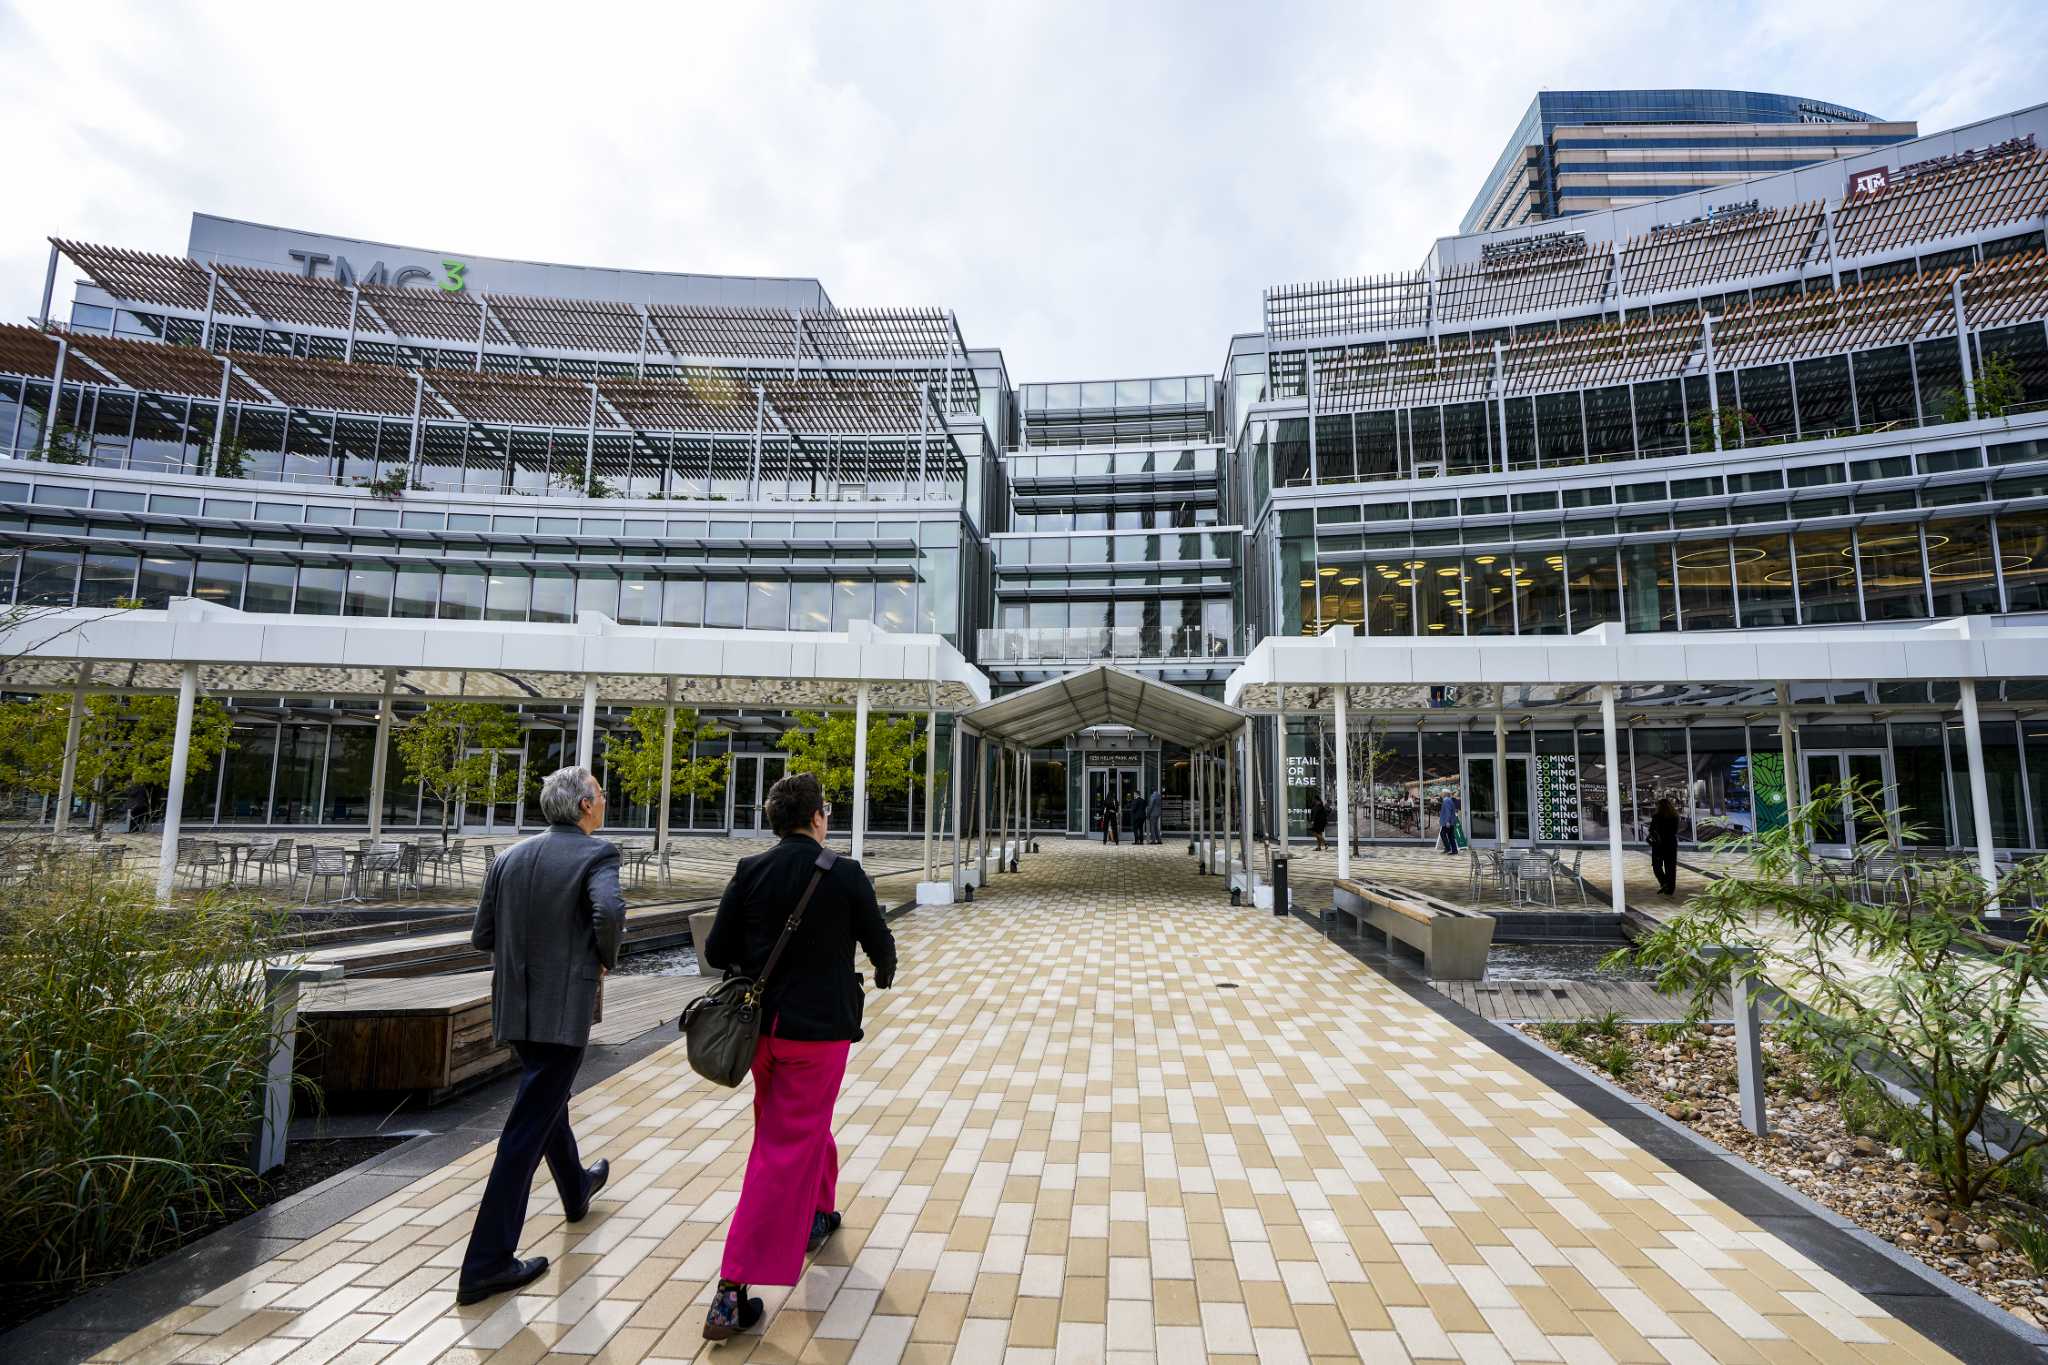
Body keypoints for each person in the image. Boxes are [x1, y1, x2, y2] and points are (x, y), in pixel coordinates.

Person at [702, 772, 895, 1340]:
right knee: (783, 1146)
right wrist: (882, 971)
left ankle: (819, 1212)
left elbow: (715, 950)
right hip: (818, 1035)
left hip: (761, 1033)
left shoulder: (750, 870)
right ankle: (731, 1290)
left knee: (794, 1127)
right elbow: (880, 942)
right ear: (816, 819)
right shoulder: (845, 874)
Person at [457, 766, 624, 1306]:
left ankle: (576, 1186)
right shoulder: (597, 855)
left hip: (515, 1007)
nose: (604, 802)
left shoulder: (508, 857)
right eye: (599, 795)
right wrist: (602, 959)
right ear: (582, 807)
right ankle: (486, 1263)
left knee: (546, 1098)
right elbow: (609, 911)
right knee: (526, 1128)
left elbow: (483, 934)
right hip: (562, 1009)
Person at [1649, 796, 1681, 896]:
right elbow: (1675, 831)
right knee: (1670, 867)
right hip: (1671, 844)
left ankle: (1664, 883)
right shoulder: (1675, 816)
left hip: (1659, 845)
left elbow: (1651, 830)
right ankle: (1670, 889)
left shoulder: (1656, 817)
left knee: (1656, 866)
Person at [1437, 791, 1461, 855]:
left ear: (1444, 794)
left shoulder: (1446, 801)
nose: (1441, 794)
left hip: (1448, 822)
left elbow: (1448, 812)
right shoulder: (1449, 800)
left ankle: (1448, 848)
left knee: (1443, 834)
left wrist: (1447, 821)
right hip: (1451, 821)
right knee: (1450, 836)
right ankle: (1454, 850)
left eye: (1442, 793)